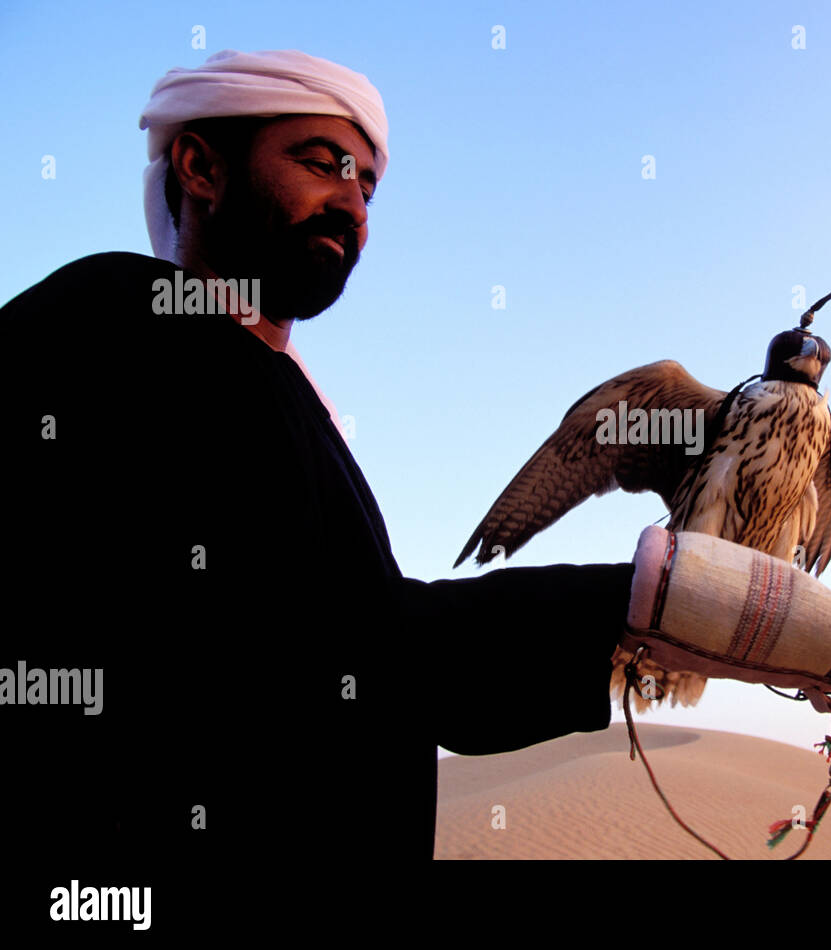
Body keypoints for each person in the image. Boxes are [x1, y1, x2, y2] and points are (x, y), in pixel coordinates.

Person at [0, 49, 634, 890]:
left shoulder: (294, 401)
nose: (352, 204)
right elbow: (306, 641)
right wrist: (636, 605)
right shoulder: (115, 316)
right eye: (319, 162)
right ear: (200, 166)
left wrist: (642, 624)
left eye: (367, 186)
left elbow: (365, 668)